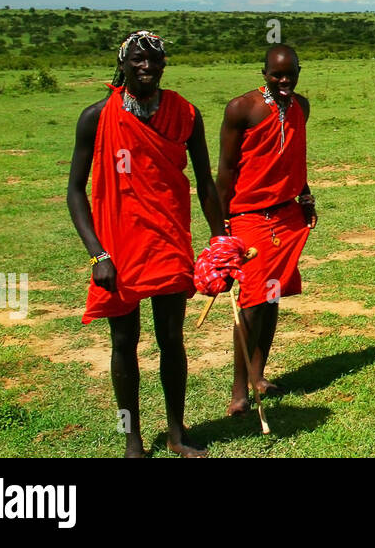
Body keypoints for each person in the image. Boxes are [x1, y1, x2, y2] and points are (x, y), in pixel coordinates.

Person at [68, 30, 223, 457]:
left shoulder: (185, 114)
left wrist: (221, 238)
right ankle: (132, 440)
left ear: (164, 65)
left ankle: (176, 433)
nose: (147, 66)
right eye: (138, 59)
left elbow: (206, 183)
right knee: (123, 343)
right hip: (118, 250)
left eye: (155, 60)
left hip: (170, 242)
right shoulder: (96, 117)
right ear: (122, 63)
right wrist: (97, 253)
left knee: (172, 339)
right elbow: (75, 191)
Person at [216, 44, 316, 416]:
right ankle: (239, 391)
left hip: (287, 215)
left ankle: (258, 375)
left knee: (272, 295)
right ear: (264, 74)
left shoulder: (302, 107)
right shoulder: (241, 108)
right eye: (277, 75)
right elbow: (225, 170)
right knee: (254, 301)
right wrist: (220, 228)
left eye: (291, 73)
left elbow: (294, 157)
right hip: (248, 215)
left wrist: (304, 195)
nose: (284, 80)